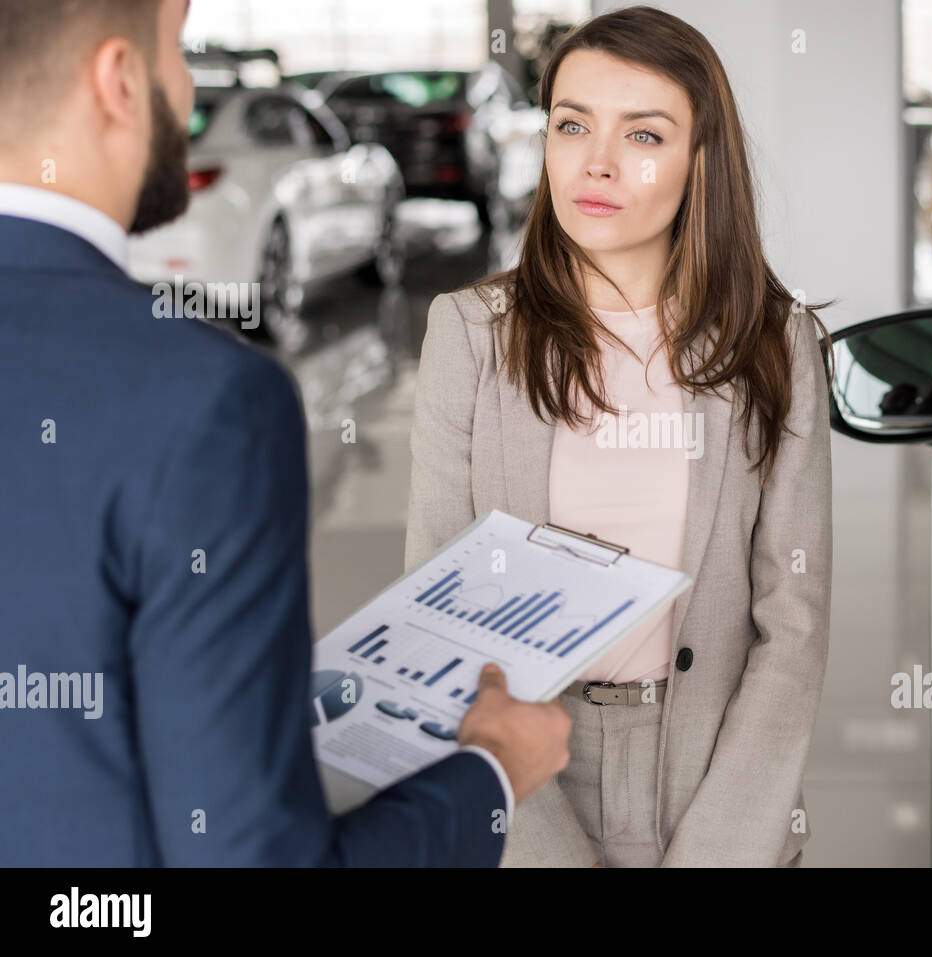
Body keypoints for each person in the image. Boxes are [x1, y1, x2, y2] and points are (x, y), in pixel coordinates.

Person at [0, 0, 571, 866]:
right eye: (177, 53)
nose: (185, 87)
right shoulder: (203, 402)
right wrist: (491, 771)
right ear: (118, 82)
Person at [405, 6, 835, 867]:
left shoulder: (773, 342)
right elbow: (441, 626)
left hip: (713, 773)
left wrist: (720, 849)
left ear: (699, 164)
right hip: (525, 784)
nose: (595, 163)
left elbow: (792, 624)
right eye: (572, 125)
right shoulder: (469, 334)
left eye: (643, 135)